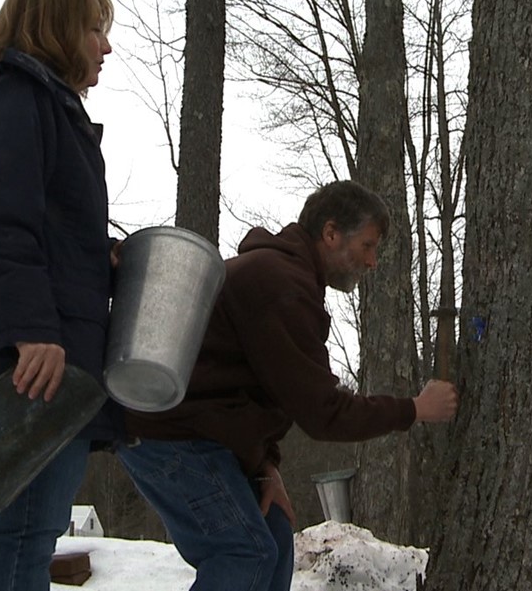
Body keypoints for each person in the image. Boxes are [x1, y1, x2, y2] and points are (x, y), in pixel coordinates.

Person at [120, 180, 460, 591]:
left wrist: (266, 466)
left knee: (276, 538)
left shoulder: (286, 277)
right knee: (244, 554)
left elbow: (257, 391)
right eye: (367, 246)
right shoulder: (279, 283)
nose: (372, 262)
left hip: (205, 433)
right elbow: (322, 413)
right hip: (172, 435)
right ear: (331, 233)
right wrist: (415, 409)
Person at [0, 0, 120, 591]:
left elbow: (48, 231)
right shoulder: (13, 96)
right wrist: (30, 329)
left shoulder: (45, 106)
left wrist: (104, 258)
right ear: (59, 26)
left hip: (50, 359)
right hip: (25, 360)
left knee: (32, 535)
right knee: (15, 535)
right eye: (96, 29)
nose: (106, 46)